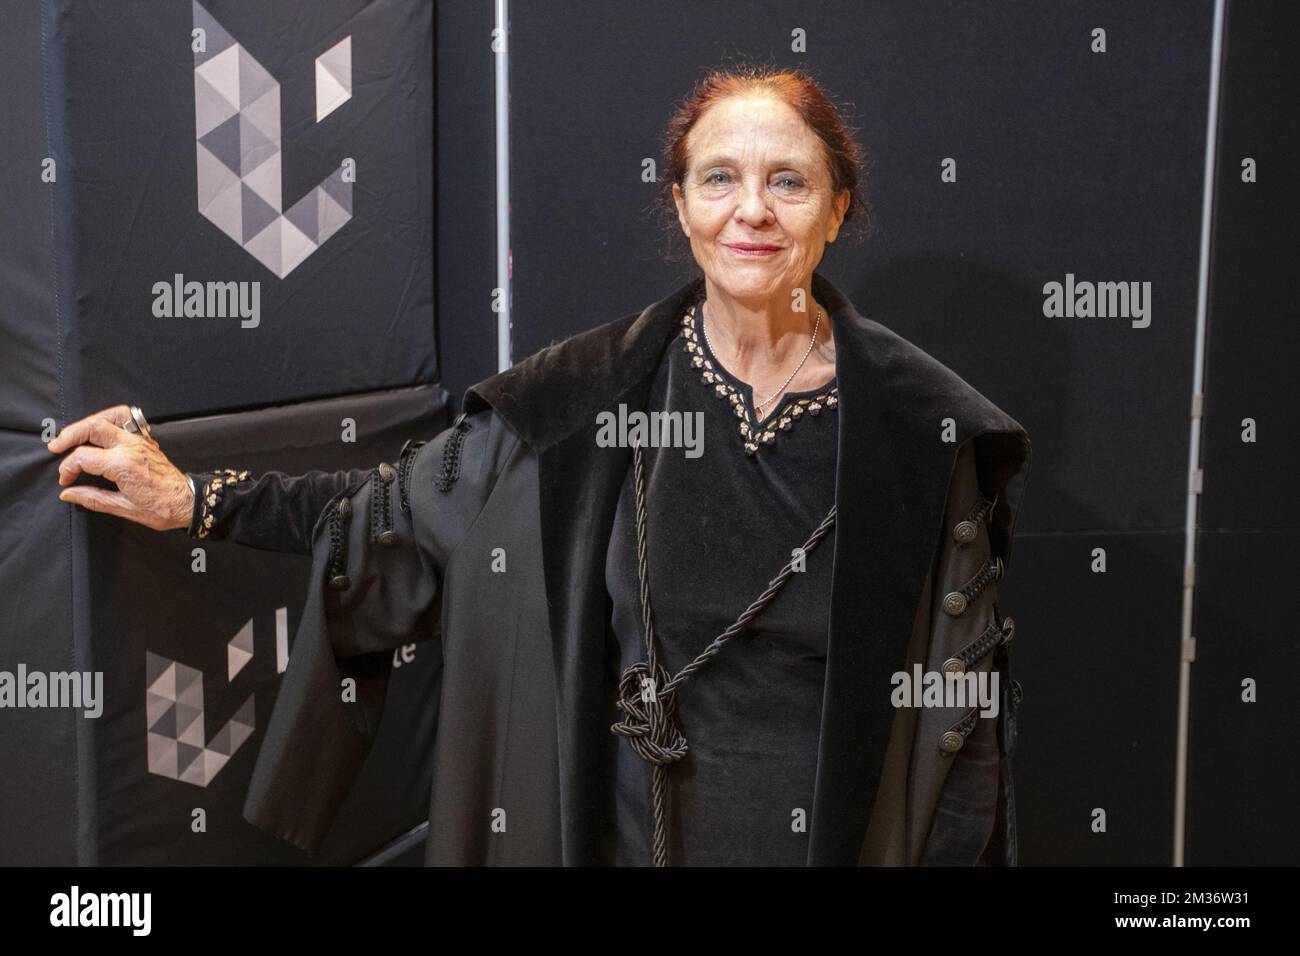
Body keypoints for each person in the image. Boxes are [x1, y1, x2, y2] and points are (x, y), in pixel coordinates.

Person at [47, 65, 1031, 866]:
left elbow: (961, 725)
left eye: (789, 180)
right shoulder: (581, 403)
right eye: (719, 177)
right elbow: (391, 508)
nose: (753, 210)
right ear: (681, 205)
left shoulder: (919, 433)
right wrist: (197, 498)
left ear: (834, 208)